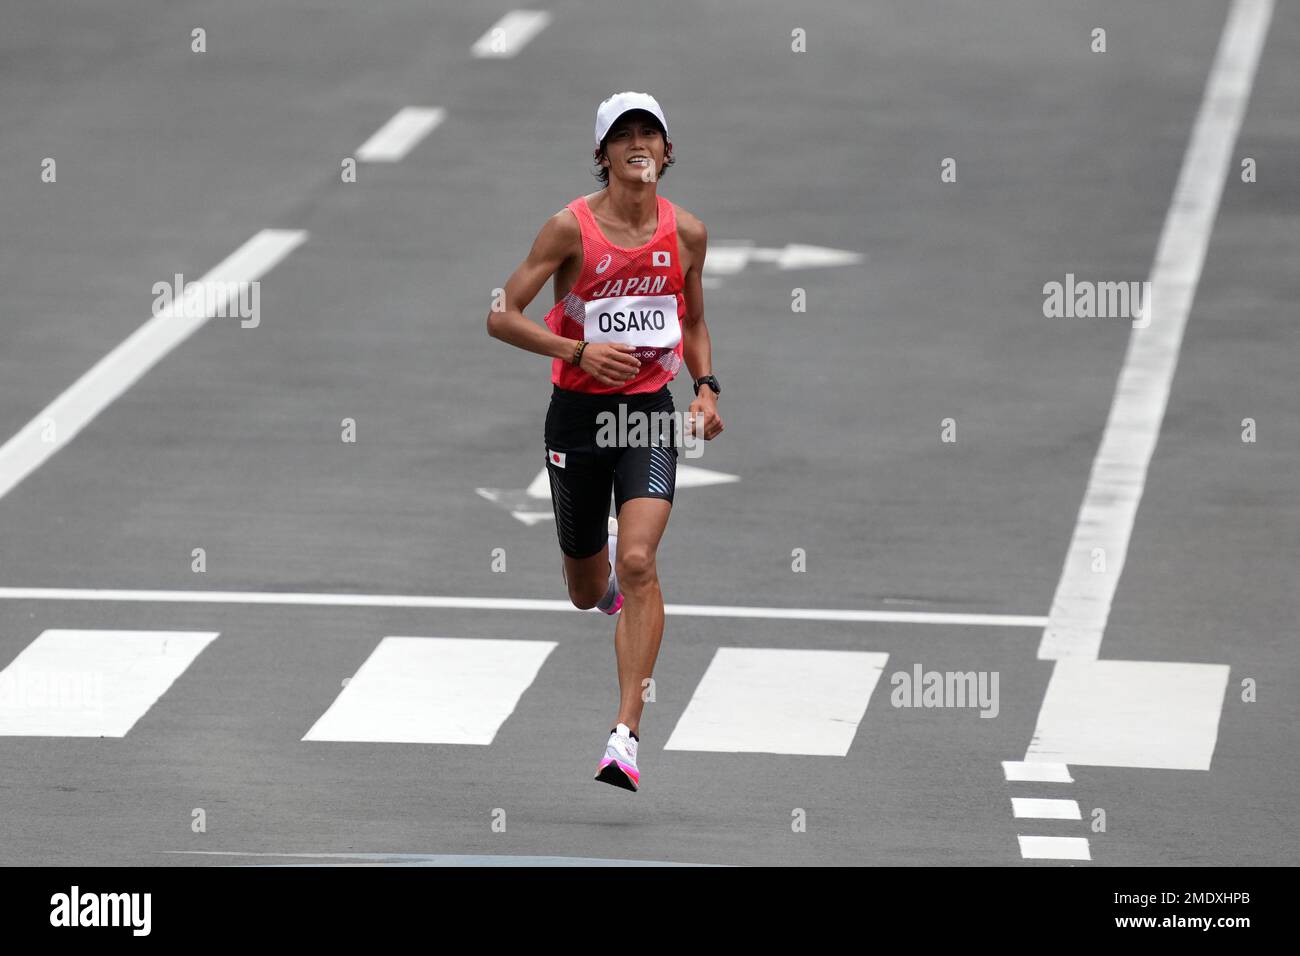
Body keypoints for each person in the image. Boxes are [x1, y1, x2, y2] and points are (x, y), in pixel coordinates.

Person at [487, 91, 723, 791]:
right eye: (624, 136)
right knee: (588, 591)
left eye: (650, 133)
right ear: (603, 154)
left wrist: (707, 388)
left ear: (668, 151)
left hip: (647, 415)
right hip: (577, 420)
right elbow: (501, 314)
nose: (638, 144)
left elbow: (694, 321)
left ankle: (625, 734)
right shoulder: (570, 229)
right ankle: (602, 576)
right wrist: (577, 350)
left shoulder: (688, 234)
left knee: (641, 560)